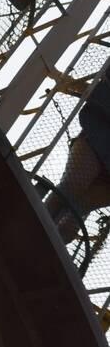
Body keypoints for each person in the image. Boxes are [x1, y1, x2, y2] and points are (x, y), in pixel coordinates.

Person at [44, 79, 110, 243]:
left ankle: (48, 250)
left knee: (79, 208)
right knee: (69, 188)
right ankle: (30, 228)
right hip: (96, 141)